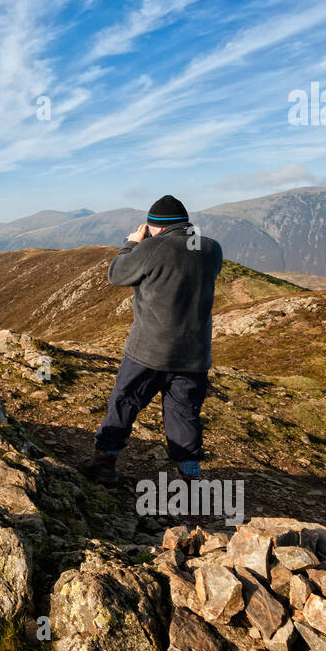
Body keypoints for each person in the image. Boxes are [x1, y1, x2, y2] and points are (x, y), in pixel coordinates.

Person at [81, 195, 222, 485]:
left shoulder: (153, 247)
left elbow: (117, 275)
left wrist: (133, 242)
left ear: (156, 227)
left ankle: (104, 464)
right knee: (184, 413)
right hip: (194, 354)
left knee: (125, 401)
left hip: (149, 351)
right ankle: (190, 479)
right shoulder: (212, 248)